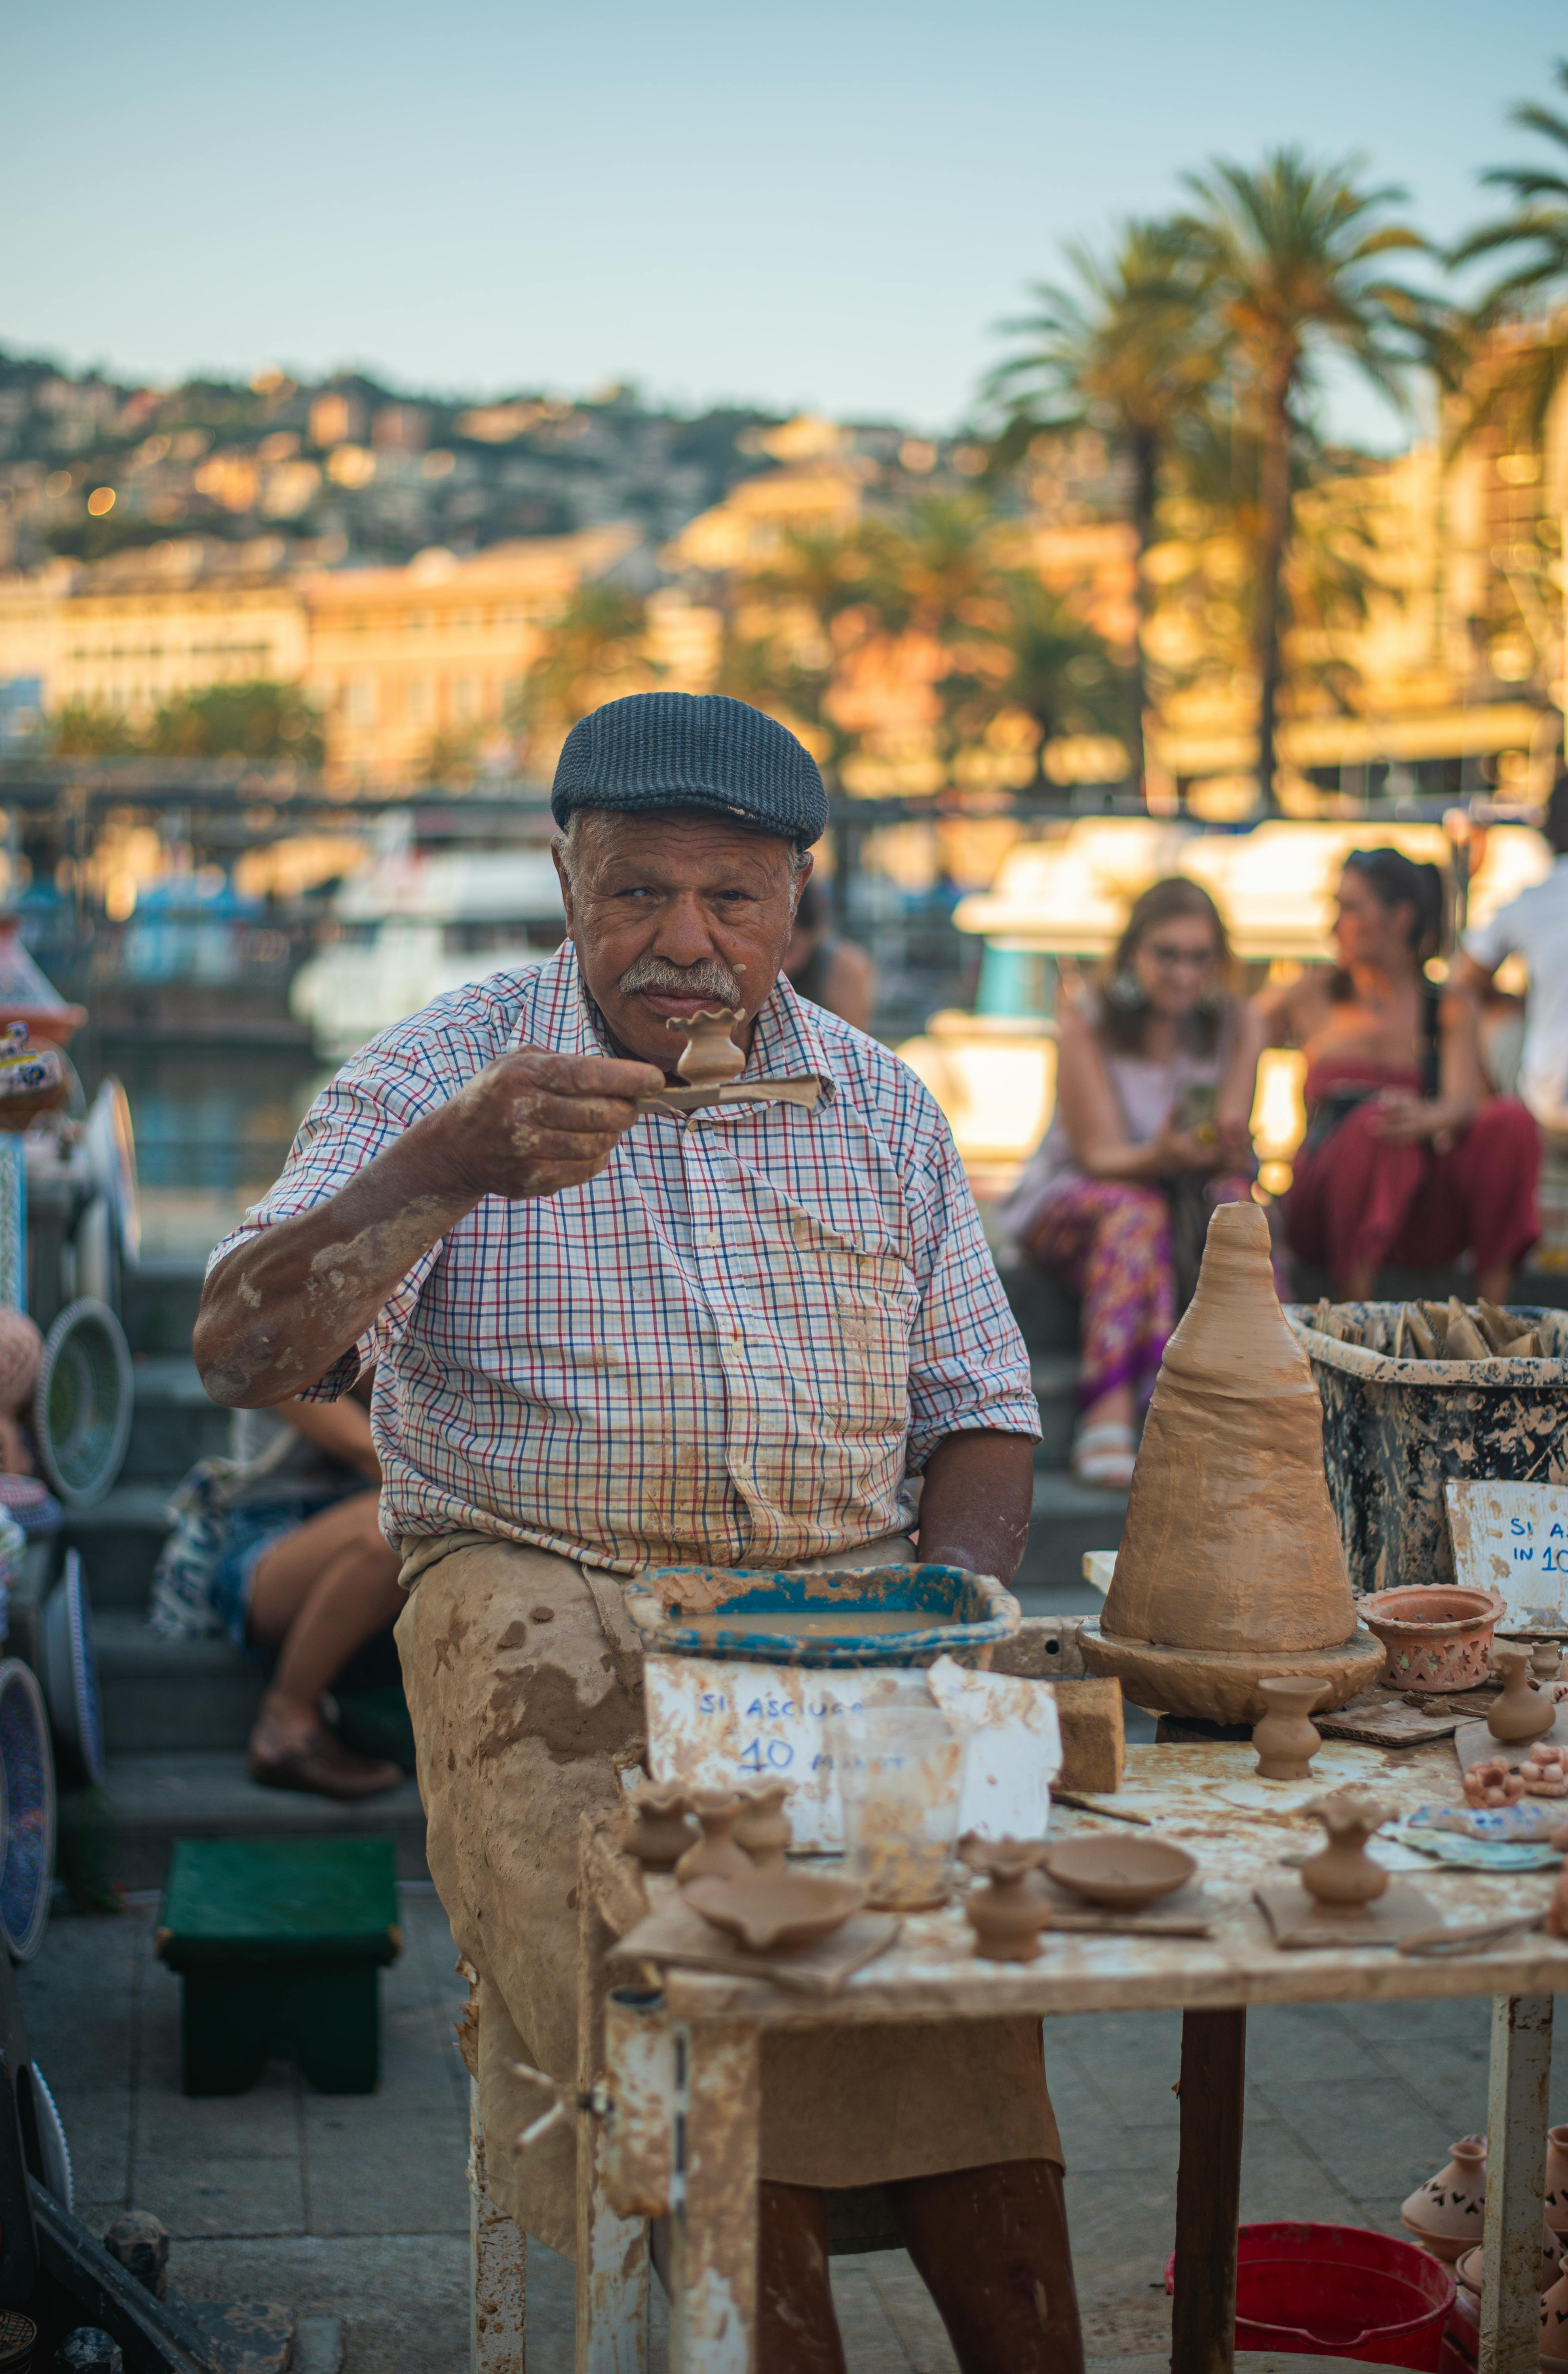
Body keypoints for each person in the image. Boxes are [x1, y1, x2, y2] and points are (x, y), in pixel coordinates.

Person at [193, 690, 1082, 2374]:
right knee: (670, 2003)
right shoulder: (444, 1074)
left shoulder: (879, 1104)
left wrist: (954, 1612)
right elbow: (242, 1354)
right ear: (565, 883)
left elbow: (979, 1409)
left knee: (958, 1990)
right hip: (536, 1597)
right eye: (635, 894)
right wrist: (438, 1170)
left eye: (729, 900)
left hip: (842, 1608)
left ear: (793, 910)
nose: (684, 941)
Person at [1004, 878, 1263, 1489]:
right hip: (1074, 1197)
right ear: (1132, 955)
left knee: (1240, 1209)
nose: (1183, 973)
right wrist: (1169, 1153)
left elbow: (1225, 1140)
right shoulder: (1085, 1023)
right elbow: (1099, 1153)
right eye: (1166, 954)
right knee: (1133, 1210)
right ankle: (1109, 1410)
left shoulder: (1237, 1025)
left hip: (1177, 1197)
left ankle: (1254, 1404)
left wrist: (1226, 1151)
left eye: (1199, 957)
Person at [1258, 846, 1539, 1300]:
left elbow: (1462, 1104)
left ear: (1400, 918)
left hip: (1415, 1208)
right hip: (1322, 1208)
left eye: (1350, 909)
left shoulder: (1447, 1007)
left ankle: (1492, 1319)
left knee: (1510, 1122)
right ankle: (1355, 1317)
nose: (1333, 926)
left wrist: (1421, 1118)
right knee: (1375, 1125)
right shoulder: (1310, 994)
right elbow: (1229, 1034)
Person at [226, 1384, 408, 1798]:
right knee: (404, 1520)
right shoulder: (280, 1342)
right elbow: (369, 1453)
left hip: (361, 1525)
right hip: (270, 1543)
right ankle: (284, 1722)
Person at [1456, 770, 1568, 1140]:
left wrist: (1519, 1003)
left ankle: (1486, 1128)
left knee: (1487, 1012)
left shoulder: (1536, 897)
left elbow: (1460, 983)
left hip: (1551, 1109)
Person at [782, 876, 876, 1028]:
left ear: (815, 935)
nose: (782, 966)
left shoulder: (844, 969)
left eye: (791, 949)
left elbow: (848, 1041)